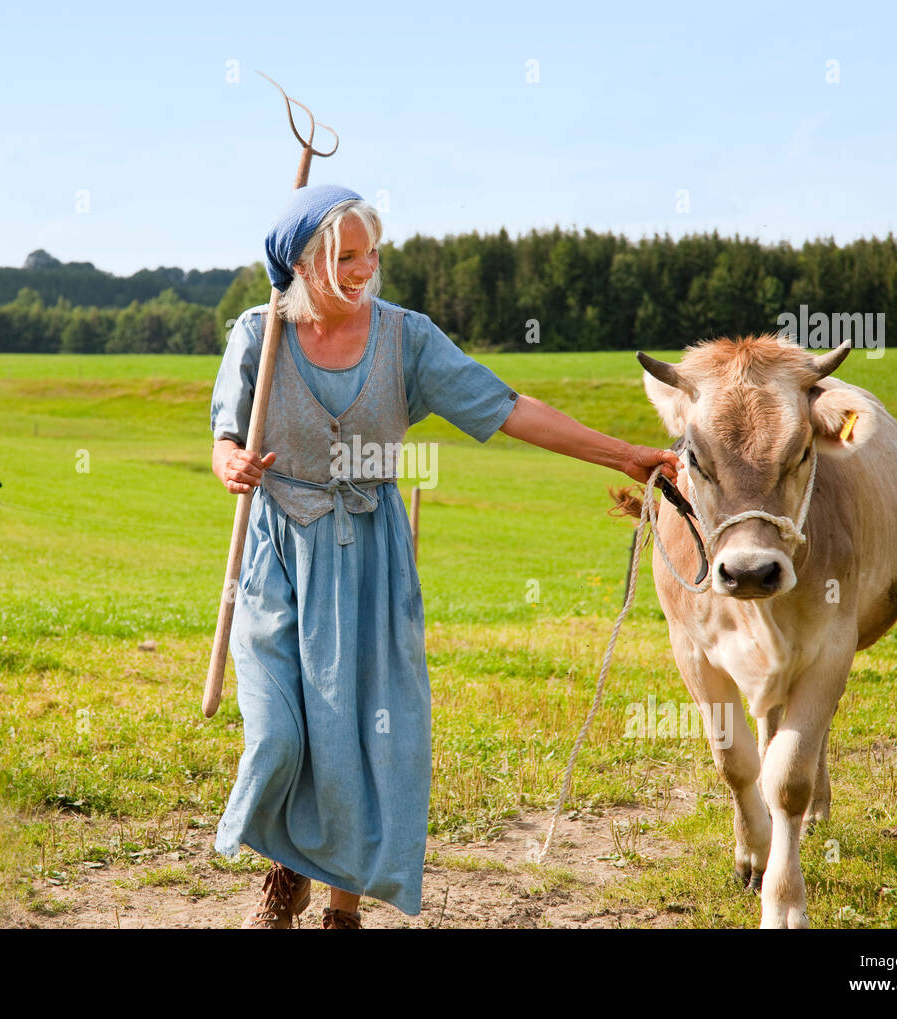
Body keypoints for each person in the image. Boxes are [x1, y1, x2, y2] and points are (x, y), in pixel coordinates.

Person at [209, 184, 678, 929]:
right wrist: (230, 460)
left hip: (369, 555)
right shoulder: (256, 335)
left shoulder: (407, 339)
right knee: (279, 731)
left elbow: (508, 406)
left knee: (360, 736)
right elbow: (224, 436)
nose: (365, 270)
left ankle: (340, 911)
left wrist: (622, 454)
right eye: (346, 256)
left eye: (372, 253)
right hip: (281, 554)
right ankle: (284, 867)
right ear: (301, 263)